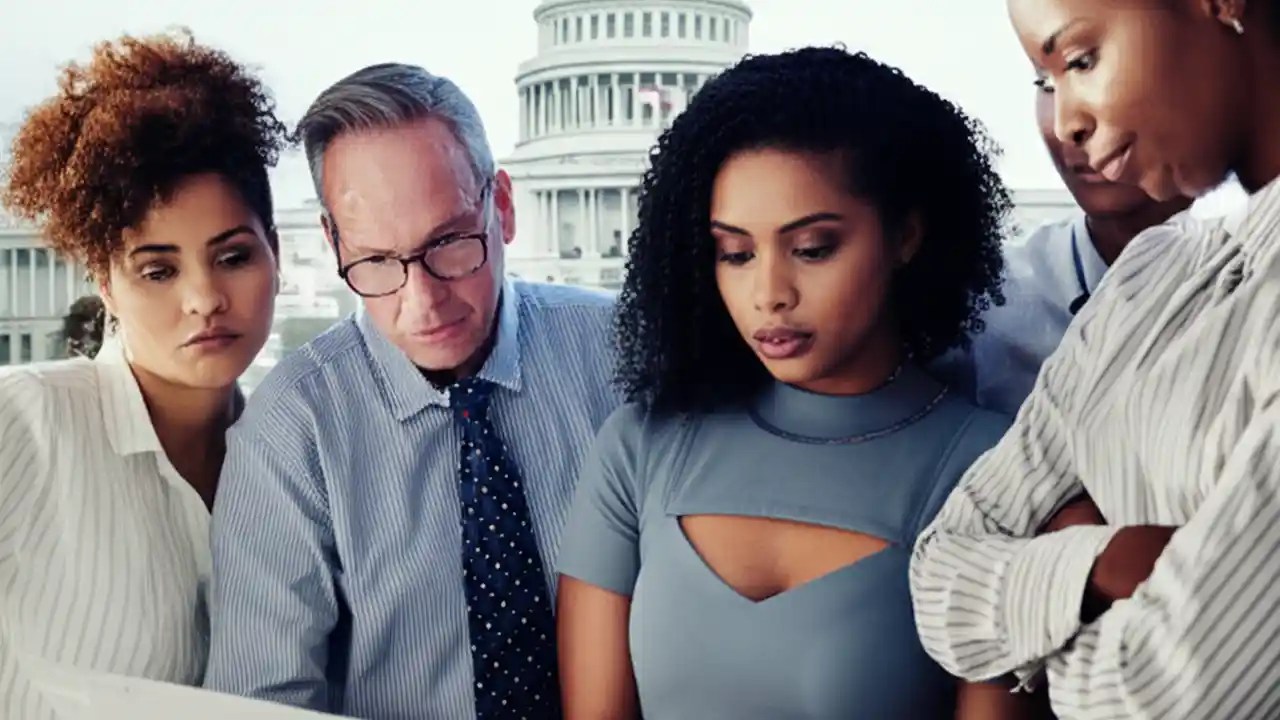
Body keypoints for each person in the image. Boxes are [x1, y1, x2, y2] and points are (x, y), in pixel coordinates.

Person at [555, 47, 1042, 719]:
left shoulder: (994, 474)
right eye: (735, 253)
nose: (769, 293)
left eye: (812, 249)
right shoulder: (640, 448)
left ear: (906, 234)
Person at [203, 64, 620, 719]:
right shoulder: (293, 430)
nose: (422, 302)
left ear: (503, 207)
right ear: (332, 242)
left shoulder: (621, 358)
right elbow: (263, 703)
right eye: (375, 263)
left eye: (449, 243)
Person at [909, 1, 1280, 718]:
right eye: (1045, 81)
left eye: (1081, 60)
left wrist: (1050, 600)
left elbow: (1175, 692)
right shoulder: (1152, 274)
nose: (1066, 118)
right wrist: (1099, 561)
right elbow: (939, 576)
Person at [0, 30, 285, 719]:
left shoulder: (294, 462)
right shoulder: (20, 425)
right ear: (105, 281)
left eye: (235, 256)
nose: (204, 298)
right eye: (158, 270)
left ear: (277, 252)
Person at [938, 89, 1193, 414]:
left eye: (1088, 63)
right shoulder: (986, 308)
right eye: (1046, 83)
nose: (1068, 124)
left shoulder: (1255, 277)